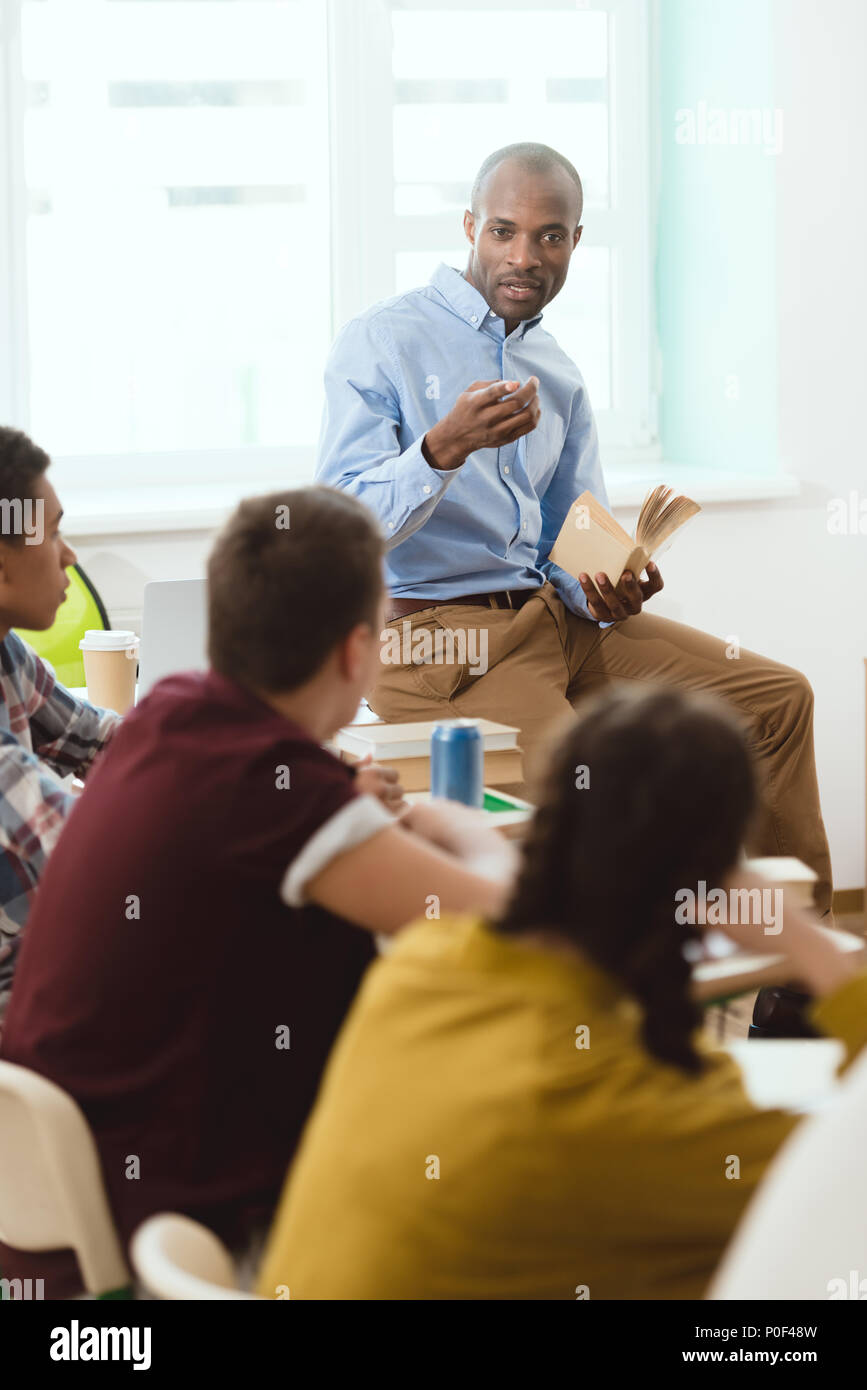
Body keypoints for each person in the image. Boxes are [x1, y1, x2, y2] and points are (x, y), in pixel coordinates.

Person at [316, 141, 834, 1035]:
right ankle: (623, 1024)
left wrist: (606, 583)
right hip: (444, 641)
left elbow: (567, 532)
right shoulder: (384, 339)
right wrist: (440, 449)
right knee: (599, 797)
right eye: (507, 231)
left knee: (776, 697)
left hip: (557, 622)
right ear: (470, 227)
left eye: (549, 237)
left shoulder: (555, 368)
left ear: (574, 242)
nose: (525, 256)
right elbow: (340, 530)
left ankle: (794, 992)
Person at [0, 485, 516, 1296]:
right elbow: (512, 919)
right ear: (356, 652)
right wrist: (459, 821)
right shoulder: (280, 795)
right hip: (173, 1237)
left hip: (61, 1218)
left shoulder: (174, 710)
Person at [256, 687, 867, 1301]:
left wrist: (468, 833)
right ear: (711, 884)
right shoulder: (642, 1112)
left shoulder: (422, 963)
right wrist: (806, 944)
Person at [0, 426, 120, 1040]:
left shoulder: (7, 657)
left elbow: (105, 742)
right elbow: (94, 860)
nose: (68, 554)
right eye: (52, 532)